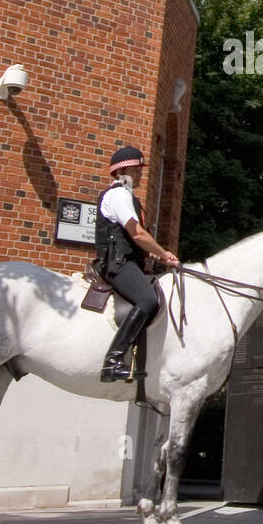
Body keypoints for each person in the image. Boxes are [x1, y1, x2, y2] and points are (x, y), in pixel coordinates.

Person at [94, 146, 179, 383]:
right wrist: (164, 254)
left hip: (127, 260)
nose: (141, 174)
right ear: (123, 170)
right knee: (148, 299)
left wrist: (154, 257)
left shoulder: (128, 197)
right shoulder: (118, 194)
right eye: (136, 169)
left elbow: (131, 241)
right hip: (116, 264)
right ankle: (113, 360)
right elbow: (137, 234)